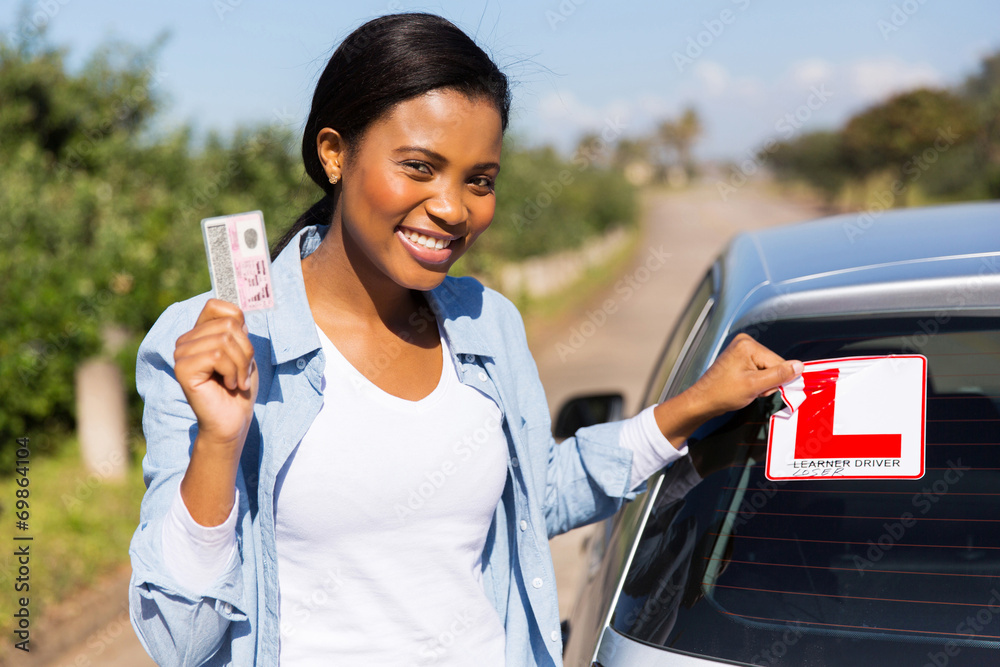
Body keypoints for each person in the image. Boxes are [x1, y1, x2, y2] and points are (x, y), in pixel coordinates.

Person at [127, 12, 802, 667]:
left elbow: (533, 497)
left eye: (479, 180)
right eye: (419, 167)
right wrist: (219, 442)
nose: (454, 208)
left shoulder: (487, 321)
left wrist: (694, 405)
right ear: (334, 153)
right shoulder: (221, 345)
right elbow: (179, 639)